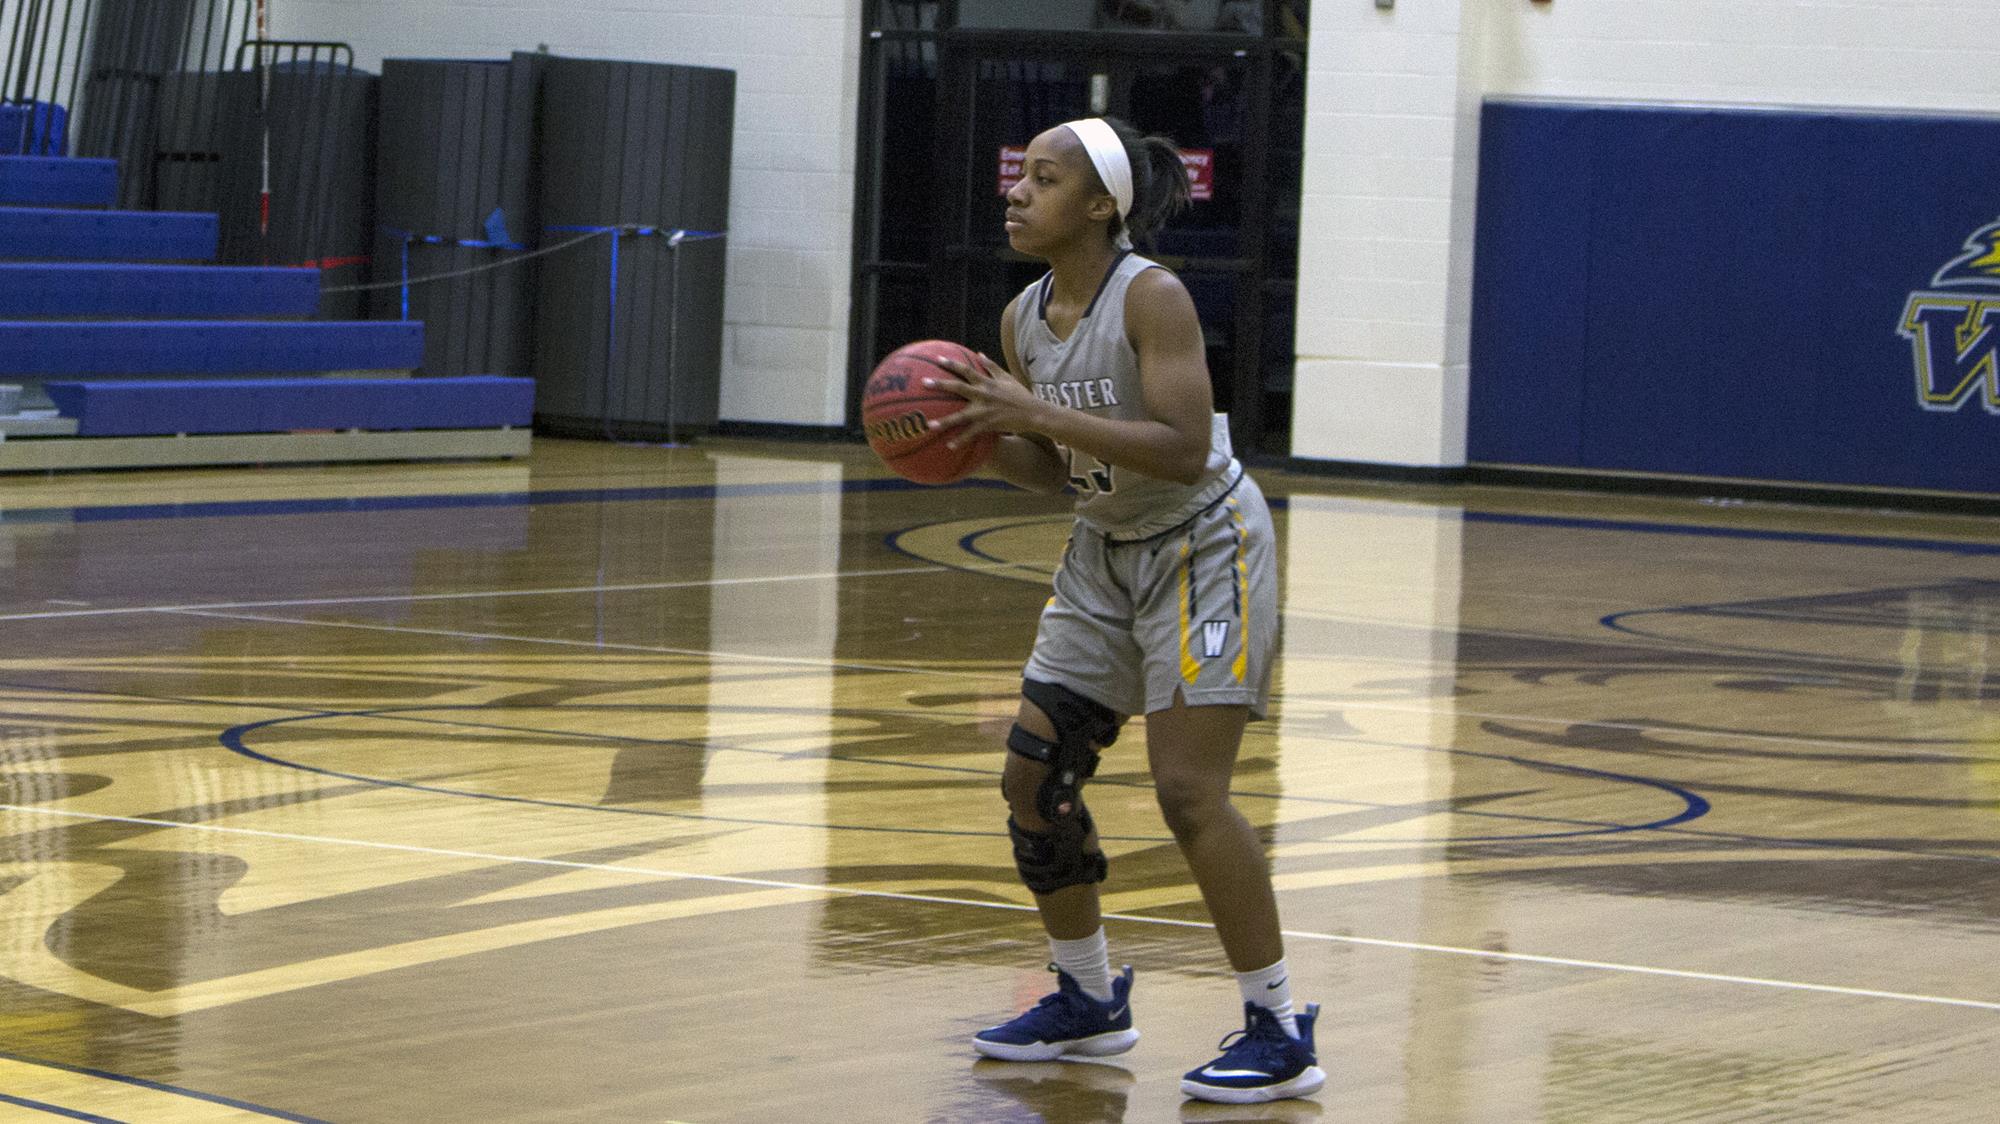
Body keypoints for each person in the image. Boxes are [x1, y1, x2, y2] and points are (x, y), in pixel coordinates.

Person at [922, 116, 1324, 1105]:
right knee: (1031, 777)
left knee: (1189, 790)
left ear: (1100, 205)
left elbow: (1183, 446)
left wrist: (1036, 413)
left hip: (1205, 543)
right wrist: (961, 435)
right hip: (1105, 549)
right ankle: (1087, 996)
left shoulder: (1152, 296)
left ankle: (1277, 1025)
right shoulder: (1021, 316)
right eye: (1017, 175)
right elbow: (1050, 466)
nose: (1016, 191)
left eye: (1044, 178)